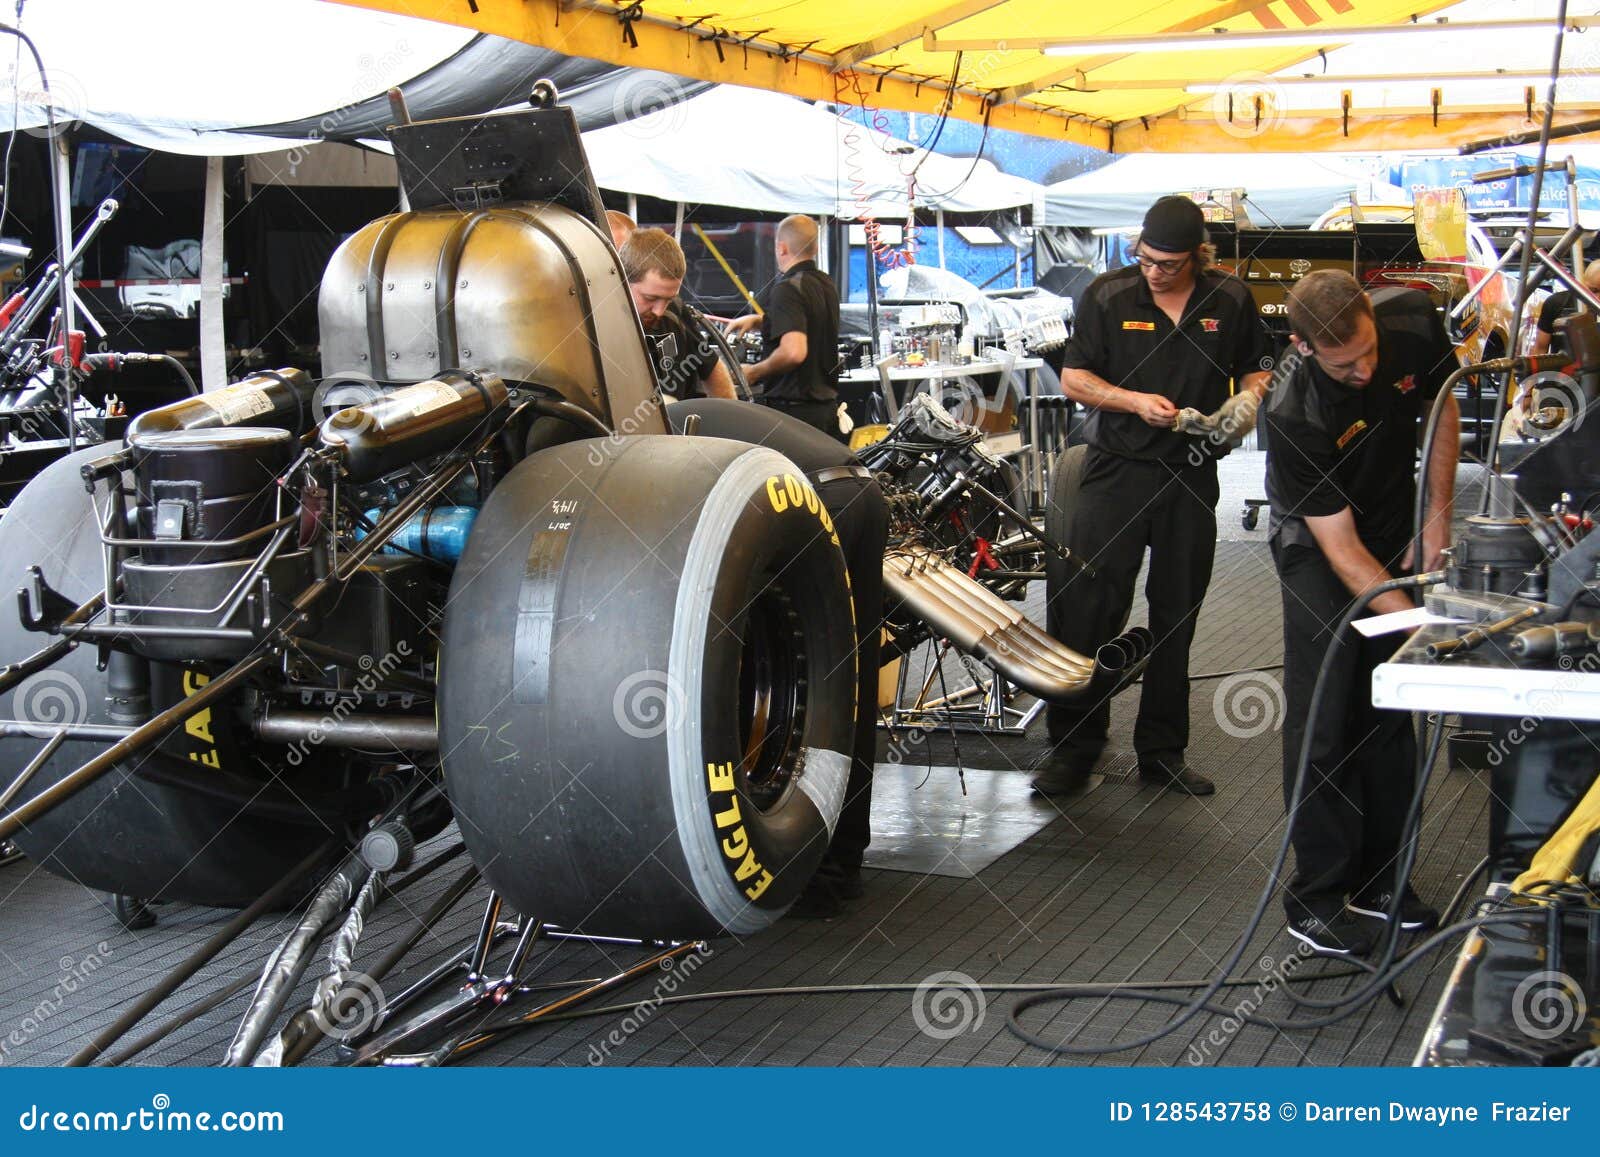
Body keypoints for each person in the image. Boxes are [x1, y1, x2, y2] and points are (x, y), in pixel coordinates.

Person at [1038, 196, 1273, 798]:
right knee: (1090, 608)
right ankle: (1073, 751)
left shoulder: (1231, 298)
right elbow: (1074, 378)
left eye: (1168, 263)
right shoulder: (1108, 295)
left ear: (1197, 255)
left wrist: (1245, 404)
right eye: (1146, 260)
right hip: (1115, 471)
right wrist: (1132, 401)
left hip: (1190, 476)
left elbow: (1259, 368)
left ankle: (1162, 752)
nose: (1155, 272)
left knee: (1178, 615)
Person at [1263, 269, 1459, 956]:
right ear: (1305, 345)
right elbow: (1341, 553)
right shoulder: (1292, 412)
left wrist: (1435, 519)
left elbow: (1442, 410)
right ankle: (1315, 896)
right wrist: (1423, 625)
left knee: (1390, 708)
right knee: (1327, 713)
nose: (1367, 368)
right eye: (1347, 363)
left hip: (1388, 523)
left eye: (1370, 352)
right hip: (1319, 547)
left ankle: (1382, 879)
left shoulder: (1411, 317)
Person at [666, 397, 886, 918]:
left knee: (784, 664)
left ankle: (804, 863)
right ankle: (840, 867)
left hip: (815, 501)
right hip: (858, 488)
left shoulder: (649, 439)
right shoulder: (693, 414)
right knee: (846, 682)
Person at [726, 215, 843, 441]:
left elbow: (793, 352)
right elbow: (808, 320)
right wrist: (761, 321)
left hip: (795, 415)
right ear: (816, 247)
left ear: (781, 248)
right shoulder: (825, 284)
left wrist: (753, 372)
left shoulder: (787, 288)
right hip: (824, 411)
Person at [618, 228, 736, 401]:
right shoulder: (599, 322)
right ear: (622, 280)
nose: (659, 311)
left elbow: (711, 367)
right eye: (651, 298)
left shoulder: (675, 310)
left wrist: (729, 420)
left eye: (668, 299)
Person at [1531, 259, 1600, 357]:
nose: (1597, 298)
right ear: (1583, 282)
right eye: (1593, 290)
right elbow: (1540, 349)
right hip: (1564, 370)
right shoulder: (1557, 303)